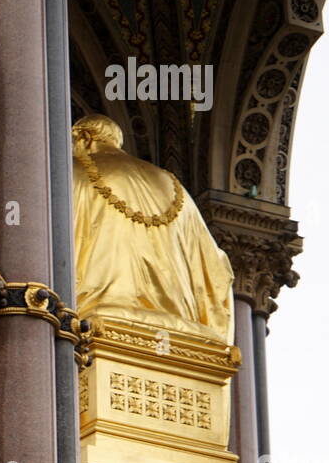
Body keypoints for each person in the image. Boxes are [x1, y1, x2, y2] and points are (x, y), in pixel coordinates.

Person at [72, 115, 234, 344]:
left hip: (98, 324)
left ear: (84, 138)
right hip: (181, 334)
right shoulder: (173, 185)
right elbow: (216, 269)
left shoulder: (73, 172)